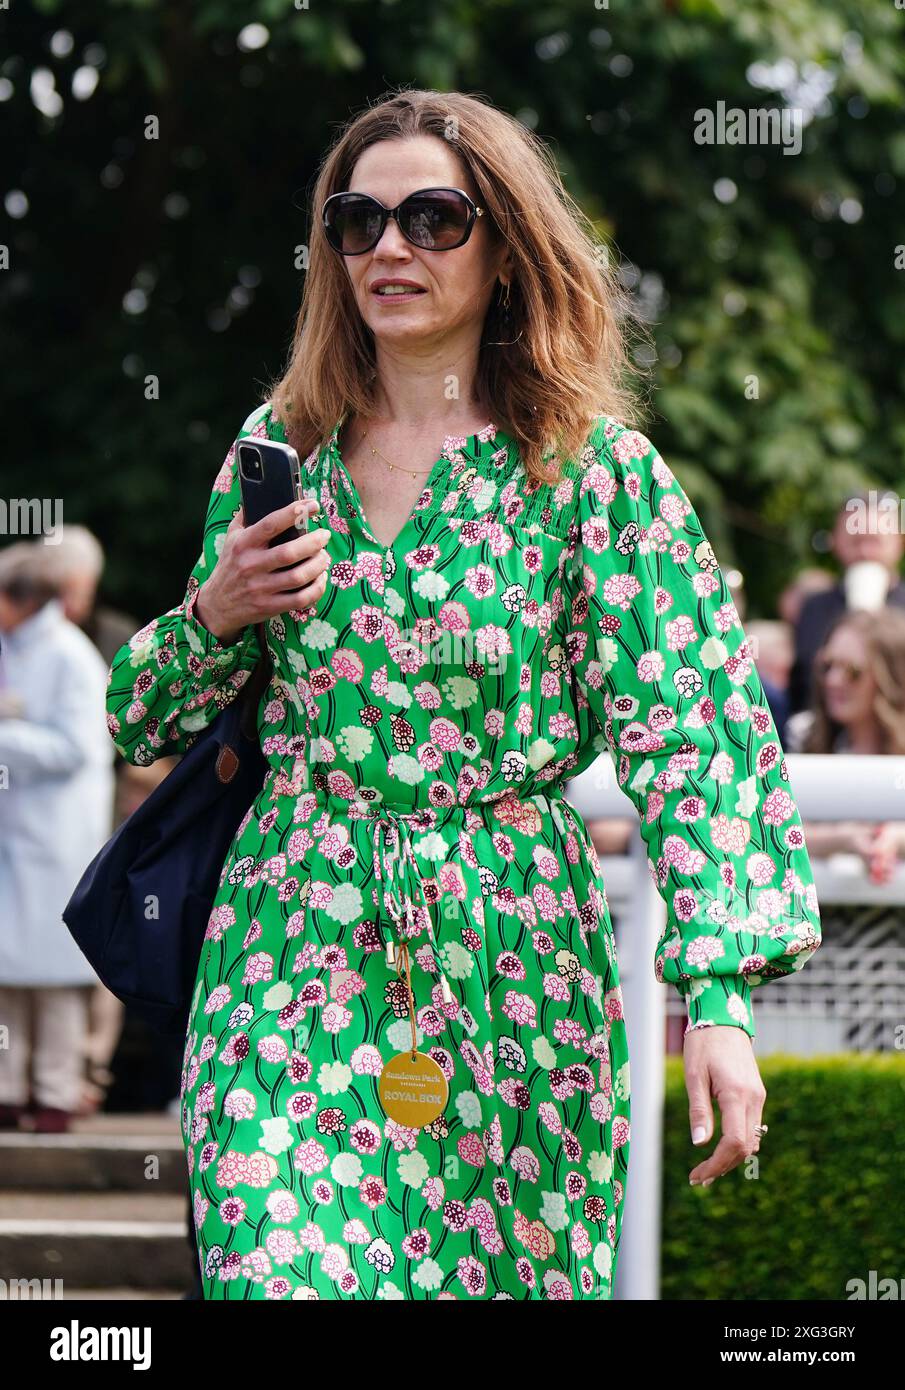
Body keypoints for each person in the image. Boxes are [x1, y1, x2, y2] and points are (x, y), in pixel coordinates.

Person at [105, 89, 822, 1300]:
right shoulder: (278, 447)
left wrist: (712, 997)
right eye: (356, 220)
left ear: (504, 250)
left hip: (513, 955)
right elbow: (141, 715)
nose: (389, 247)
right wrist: (217, 609)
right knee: (276, 1271)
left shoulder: (590, 472)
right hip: (294, 935)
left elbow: (694, 735)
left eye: (433, 218)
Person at [0, 544, 115, 1132]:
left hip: (55, 836)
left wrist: (6, 736)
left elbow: (77, 746)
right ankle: (9, 1086)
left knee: (55, 976)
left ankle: (55, 1090)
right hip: (14, 834)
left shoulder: (71, 657)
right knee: (8, 972)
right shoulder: (11, 649)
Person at [785, 606, 905, 885]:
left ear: (890, 677)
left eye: (852, 671)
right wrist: (845, 839)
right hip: (822, 921)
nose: (833, 680)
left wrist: (896, 839)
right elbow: (773, 831)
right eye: (827, 666)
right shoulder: (802, 736)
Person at [788, 491, 905, 717]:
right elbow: (801, 687)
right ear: (835, 541)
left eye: (875, 541)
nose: (865, 552)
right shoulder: (814, 609)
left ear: (898, 543)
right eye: (856, 541)